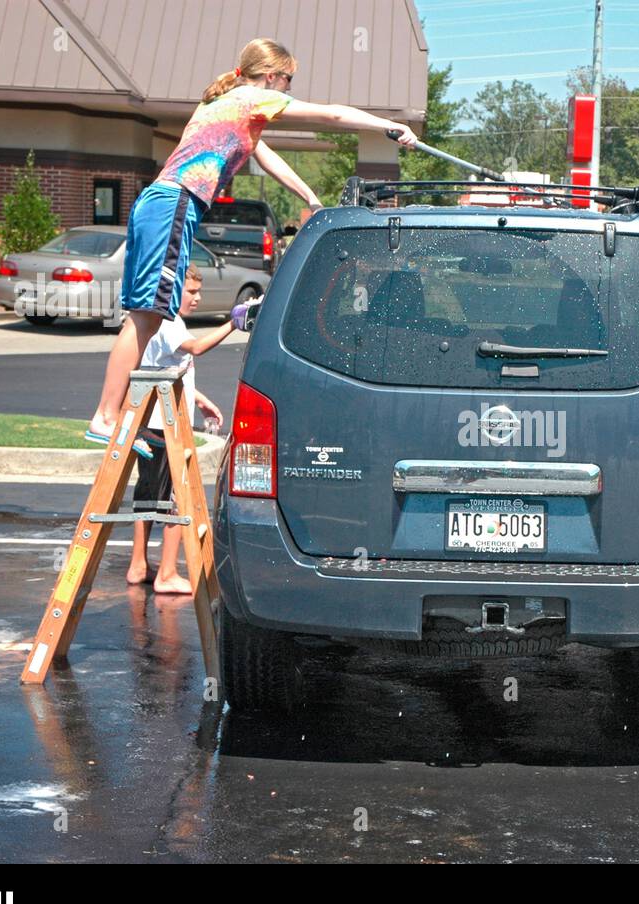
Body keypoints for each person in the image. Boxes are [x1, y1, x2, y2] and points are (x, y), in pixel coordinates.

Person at [87, 37, 418, 448]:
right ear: (274, 76)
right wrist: (389, 126)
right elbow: (330, 115)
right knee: (146, 317)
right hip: (174, 203)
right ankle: (105, 416)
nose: (289, 89)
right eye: (288, 80)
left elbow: (264, 155)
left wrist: (310, 197)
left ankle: (109, 415)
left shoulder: (227, 105)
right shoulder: (249, 98)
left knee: (147, 316)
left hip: (160, 203)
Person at [126, 265, 242, 594]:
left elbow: (164, 369)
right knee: (176, 495)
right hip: (165, 423)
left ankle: (138, 564)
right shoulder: (169, 323)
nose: (197, 297)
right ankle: (166, 573)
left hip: (149, 420)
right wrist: (233, 322)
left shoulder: (153, 322)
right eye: (191, 292)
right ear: (172, 292)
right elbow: (197, 348)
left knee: (148, 492)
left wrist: (198, 399)